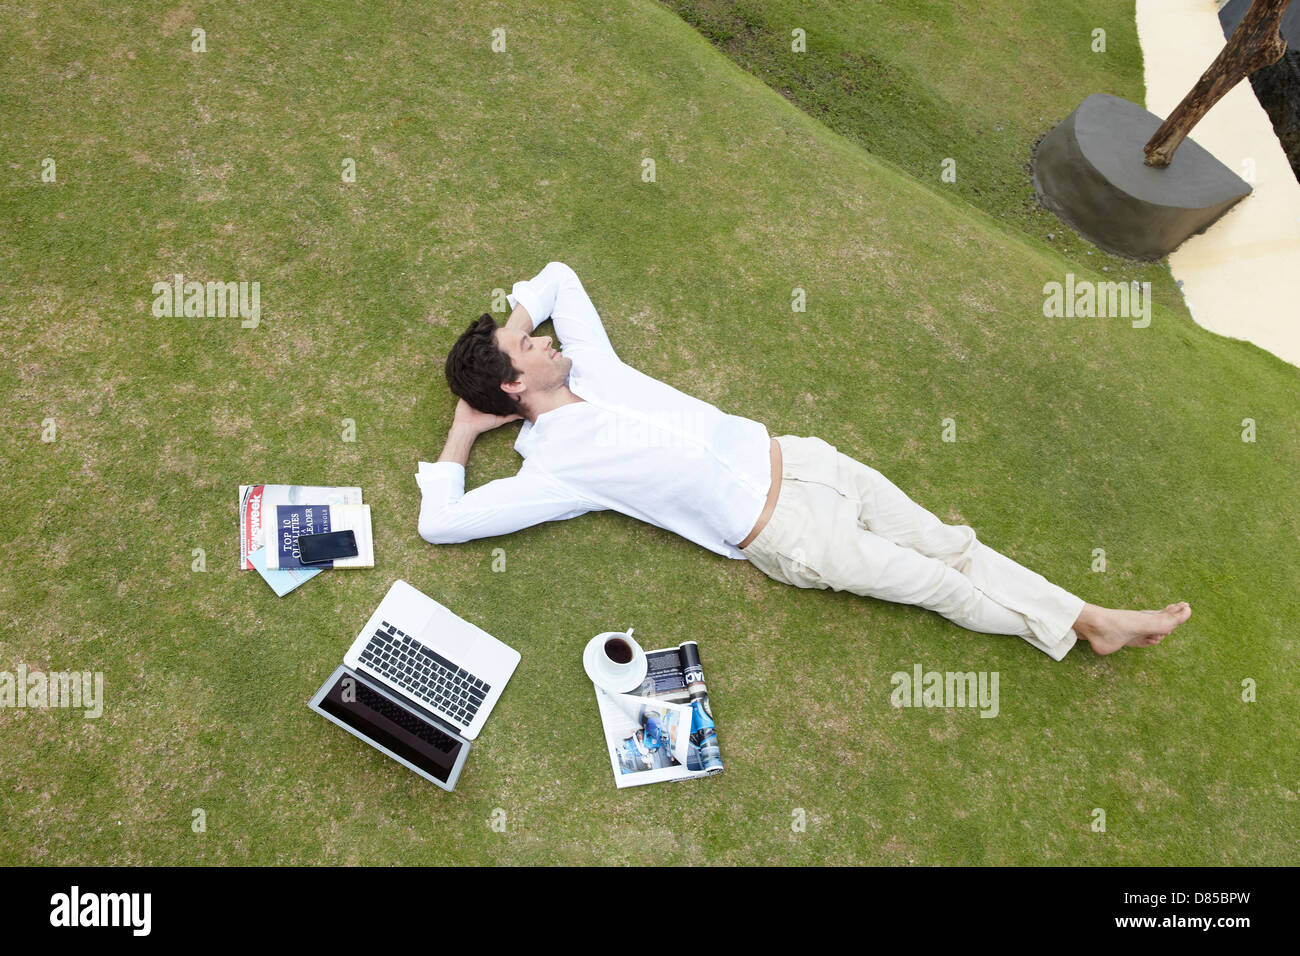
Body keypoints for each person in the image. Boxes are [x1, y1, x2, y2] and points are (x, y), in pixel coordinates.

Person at [417, 262, 1191, 660]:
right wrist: (466, 425)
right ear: (517, 385)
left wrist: (503, 339)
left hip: (808, 459)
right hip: (789, 535)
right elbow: (441, 522)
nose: (543, 336)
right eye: (528, 346)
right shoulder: (555, 468)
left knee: (952, 544)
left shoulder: (591, 365)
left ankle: (1085, 620)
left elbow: (557, 276)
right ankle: (1089, 623)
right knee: (936, 585)